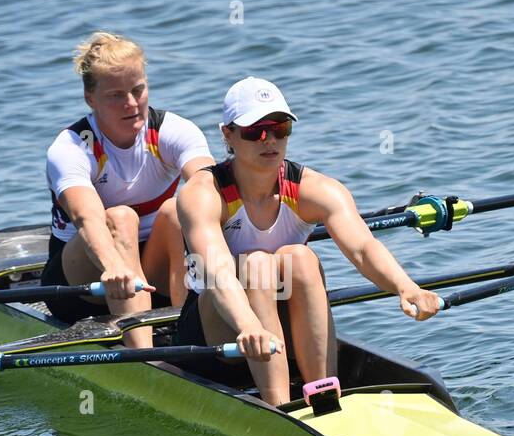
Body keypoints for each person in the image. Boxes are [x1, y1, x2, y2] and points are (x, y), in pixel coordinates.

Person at [174, 77, 443, 406]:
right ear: (227, 134)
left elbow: (362, 247)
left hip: (276, 327)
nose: (269, 140)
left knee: (300, 259)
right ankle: (279, 409)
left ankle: (324, 393)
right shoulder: (204, 193)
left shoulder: (315, 188)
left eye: (280, 128)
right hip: (218, 335)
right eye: (254, 131)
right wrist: (248, 326)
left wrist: (406, 287)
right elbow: (216, 271)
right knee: (257, 263)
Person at [42, 32, 214, 348]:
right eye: (117, 95)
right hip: (82, 283)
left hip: (150, 271)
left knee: (180, 209)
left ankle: (191, 336)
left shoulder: (173, 131)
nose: (132, 104)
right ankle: (145, 358)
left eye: (138, 90)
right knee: (120, 218)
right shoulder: (71, 148)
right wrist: (114, 266)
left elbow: (211, 188)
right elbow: (87, 218)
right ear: (90, 98)